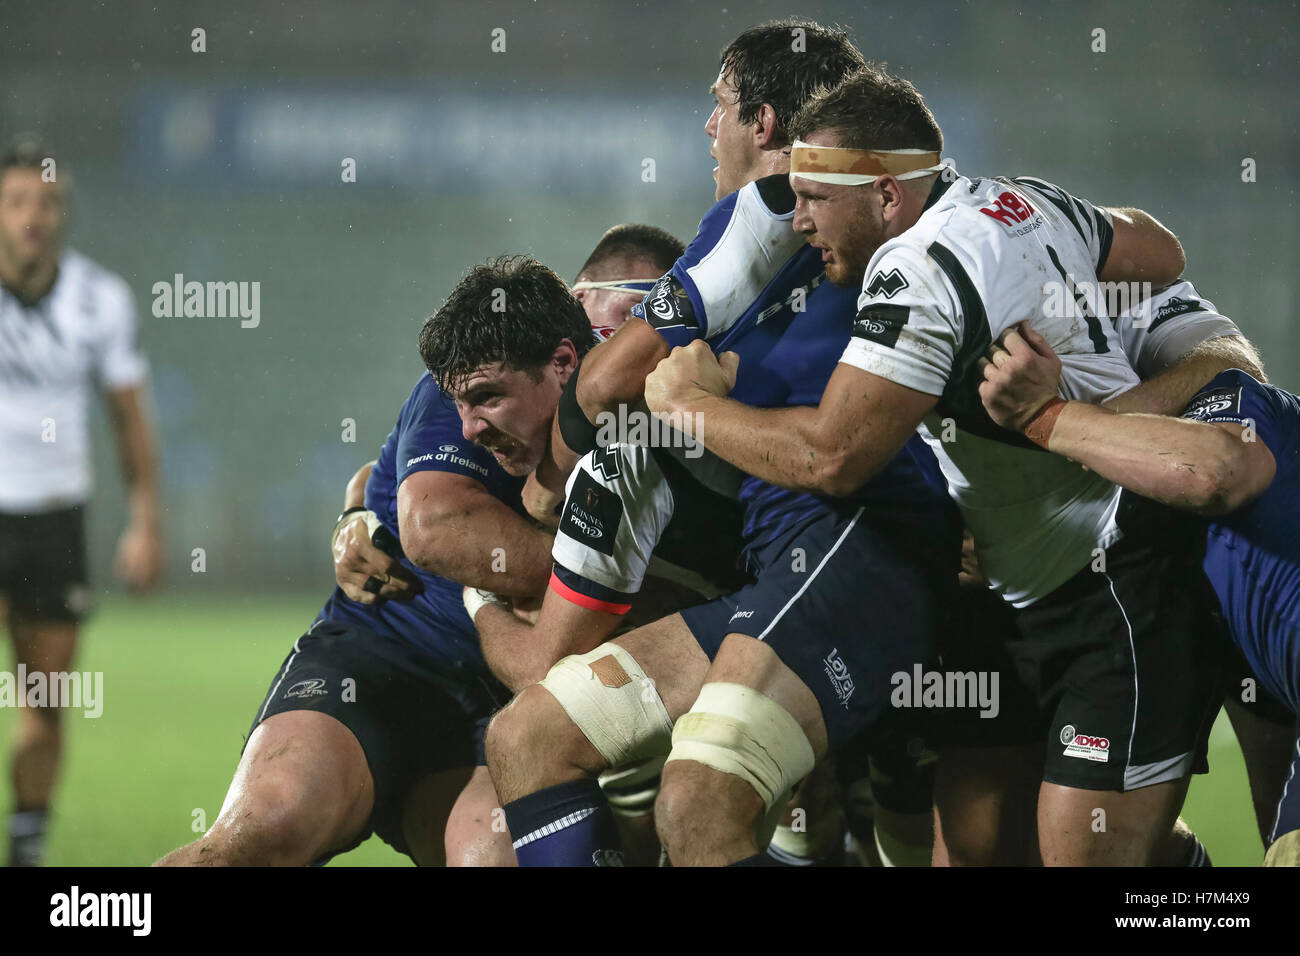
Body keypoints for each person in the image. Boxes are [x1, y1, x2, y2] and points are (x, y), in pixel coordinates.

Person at [641, 65, 1245, 865]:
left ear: (887, 196)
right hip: (1016, 590)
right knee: (977, 848)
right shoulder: (1017, 197)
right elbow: (1157, 250)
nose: (799, 222)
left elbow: (833, 456)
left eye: (815, 198)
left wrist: (689, 407)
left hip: (1116, 586)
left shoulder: (915, 269)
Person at [484, 20, 960, 868]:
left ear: (765, 123)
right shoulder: (824, 242)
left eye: (720, 105)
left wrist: (547, 483)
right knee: (526, 741)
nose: (710, 128)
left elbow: (607, 384)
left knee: (700, 804)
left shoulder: (766, 209)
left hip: (853, 543)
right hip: (779, 567)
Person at [156, 256, 585, 866]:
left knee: (495, 861)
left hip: (499, 718)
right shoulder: (470, 371)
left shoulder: (641, 408)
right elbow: (432, 526)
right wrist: (611, 568)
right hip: (383, 658)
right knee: (262, 832)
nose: (468, 428)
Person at [977, 309, 1300, 866]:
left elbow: (1217, 467)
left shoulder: (1226, 409)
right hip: (1253, 664)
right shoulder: (1138, 532)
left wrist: (1046, 416)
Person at [0, 139, 161, 866]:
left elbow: (128, 417)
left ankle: (26, 850)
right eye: (19, 200)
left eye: (49, 201)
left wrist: (145, 520)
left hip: (53, 522)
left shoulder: (100, 299)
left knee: (42, 701)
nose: (35, 215)